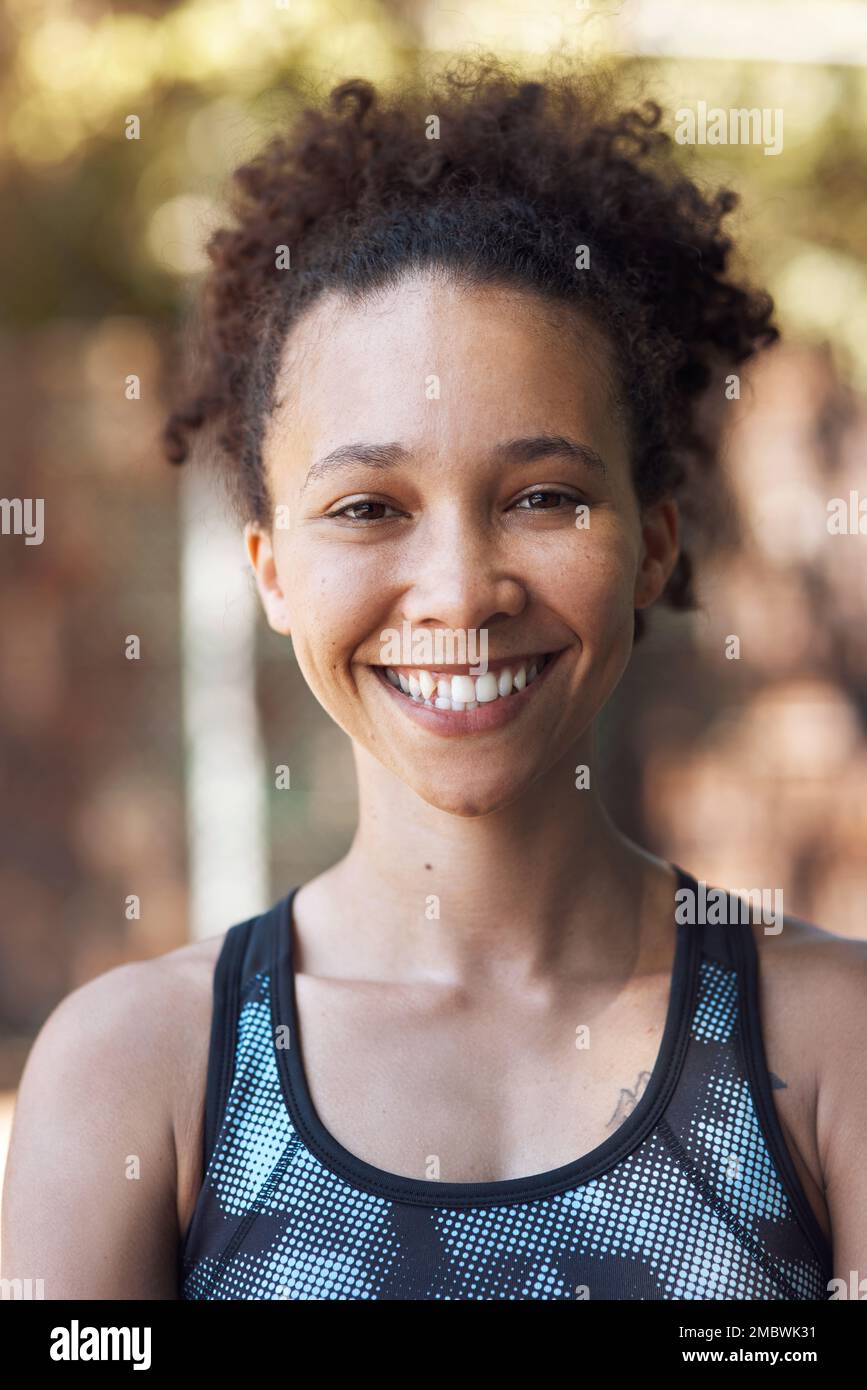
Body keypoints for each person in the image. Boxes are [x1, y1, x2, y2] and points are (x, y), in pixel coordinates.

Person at [4, 57, 866, 1301]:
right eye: (367, 507)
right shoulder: (140, 1072)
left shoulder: (829, 1050)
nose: (461, 591)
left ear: (654, 541)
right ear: (272, 572)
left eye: (544, 497)